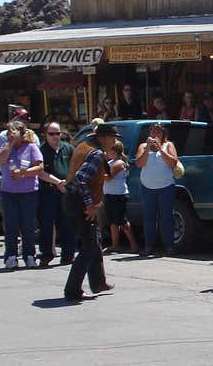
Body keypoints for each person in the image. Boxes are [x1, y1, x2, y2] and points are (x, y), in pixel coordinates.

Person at [63, 124, 117, 301]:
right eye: (112, 137)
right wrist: (90, 205)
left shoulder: (83, 146)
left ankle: (98, 282)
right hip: (80, 202)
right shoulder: (95, 153)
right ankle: (72, 290)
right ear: (102, 138)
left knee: (95, 241)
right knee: (89, 246)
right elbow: (81, 180)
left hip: (73, 199)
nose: (114, 142)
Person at [0, 121, 44, 270]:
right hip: (8, 192)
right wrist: (9, 144)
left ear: (21, 133)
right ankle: (10, 257)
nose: (10, 134)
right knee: (11, 225)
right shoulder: (6, 146)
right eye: (9, 132)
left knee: (28, 225)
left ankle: (29, 255)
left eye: (13, 132)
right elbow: (1, 160)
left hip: (28, 192)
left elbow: (40, 167)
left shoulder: (31, 147)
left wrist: (23, 172)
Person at [135, 123, 179, 256]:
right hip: (147, 187)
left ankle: (169, 246)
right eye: (153, 132)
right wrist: (148, 147)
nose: (155, 134)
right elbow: (139, 163)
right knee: (149, 217)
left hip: (166, 186)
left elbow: (173, 163)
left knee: (166, 217)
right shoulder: (143, 146)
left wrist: (160, 149)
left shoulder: (169, 145)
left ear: (163, 134)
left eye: (158, 132)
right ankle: (149, 246)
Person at [37, 122, 76, 266]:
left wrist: (67, 181)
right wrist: (57, 182)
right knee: (46, 224)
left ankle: (68, 254)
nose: (55, 137)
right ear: (45, 135)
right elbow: (40, 172)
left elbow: (75, 166)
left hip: (66, 191)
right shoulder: (40, 150)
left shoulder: (69, 148)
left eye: (57, 133)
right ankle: (46, 254)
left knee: (67, 223)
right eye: (51, 134)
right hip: (47, 191)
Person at [104, 140, 138, 253]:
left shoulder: (119, 163)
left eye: (109, 149)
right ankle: (115, 245)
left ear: (115, 151)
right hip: (109, 194)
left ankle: (133, 244)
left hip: (118, 195)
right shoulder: (111, 162)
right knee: (113, 221)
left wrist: (97, 174)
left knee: (122, 221)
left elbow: (109, 177)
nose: (107, 151)